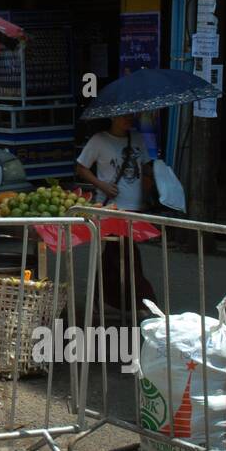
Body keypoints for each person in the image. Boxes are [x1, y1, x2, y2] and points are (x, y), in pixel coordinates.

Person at [75, 113, 157, 312]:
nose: (129, 119)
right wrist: (102, 185)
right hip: (110, 207)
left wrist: (149, 190)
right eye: (124, 116)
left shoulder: (137, 139)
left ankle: (99, 296)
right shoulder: (99, 140)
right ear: (113, 117)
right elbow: (81, 167)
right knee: (125, 253)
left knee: (114, 254)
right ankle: (143, 300)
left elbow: (146, 168)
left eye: (131, 116)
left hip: (135, 207)